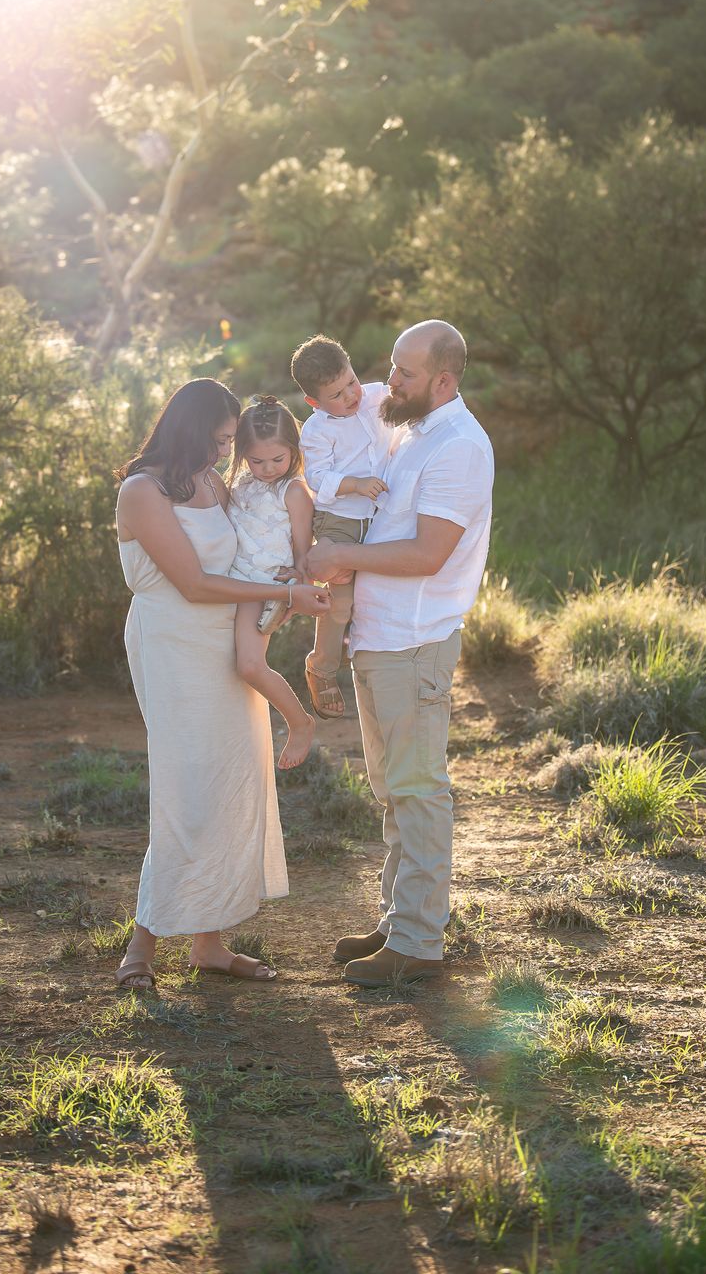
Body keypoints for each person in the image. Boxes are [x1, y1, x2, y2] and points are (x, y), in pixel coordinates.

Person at [113, 378, 331, 988]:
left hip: (227, 645)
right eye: (218, 440)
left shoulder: (213, 482)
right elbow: (194, 584)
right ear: (189, 431)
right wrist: (283, 593)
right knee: (186, 789)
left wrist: (290, 574)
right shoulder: (142, 491)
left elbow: (252, 544)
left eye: (229, 442)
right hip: (174, 646)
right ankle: (143, 944)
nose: (223, 453)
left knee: (234, 781)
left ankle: (209, 944)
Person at [306, 321, 494, 988]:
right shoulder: (410, 428)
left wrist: (340, 556)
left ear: (443, 380)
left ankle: (418, 942)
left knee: (417, 789)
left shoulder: (460, 447)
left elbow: (427, 552)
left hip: (414, 644)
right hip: (378, 641)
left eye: (406, 372)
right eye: (391, 366)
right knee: (392, 790)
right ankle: (397, 920)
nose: (391, 381)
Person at [290, 335, 397, 720]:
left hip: (380, 513)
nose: (350, 396)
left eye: (351, 381)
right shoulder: (318, 431)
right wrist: (354, 484)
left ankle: (383, 667)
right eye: (336, 394)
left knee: (379, 592)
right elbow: (317, 477)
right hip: (340, 519)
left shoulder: (374, 396)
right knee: (343, 602)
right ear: (314, 403)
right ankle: (322, 666)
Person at [227, 395, 318, 770]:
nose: (267, 469)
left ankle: (299, 722)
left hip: (263, 586)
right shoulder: (236, 484)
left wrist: (296, 592)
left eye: (277, 460)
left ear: (293, 451)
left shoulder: (294, 491)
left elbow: (303, 549)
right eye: (257, 460)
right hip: (228, 583)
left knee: (249, 665)